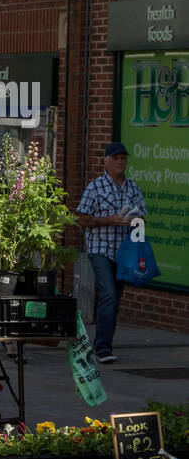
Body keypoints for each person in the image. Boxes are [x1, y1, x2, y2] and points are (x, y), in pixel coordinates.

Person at [76, 142, 148, 364]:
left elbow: (142, 217)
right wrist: (108, 220)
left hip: (124, 252)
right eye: (115, 158)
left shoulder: (133, 188)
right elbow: (81, 219)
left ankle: (105, 343)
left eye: (123, 158)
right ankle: (102, 349)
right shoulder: (95, 187)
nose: (120, 162)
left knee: (114, 300)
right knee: (108, 295)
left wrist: (134, 221)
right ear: (106, 161)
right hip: (100, 249)